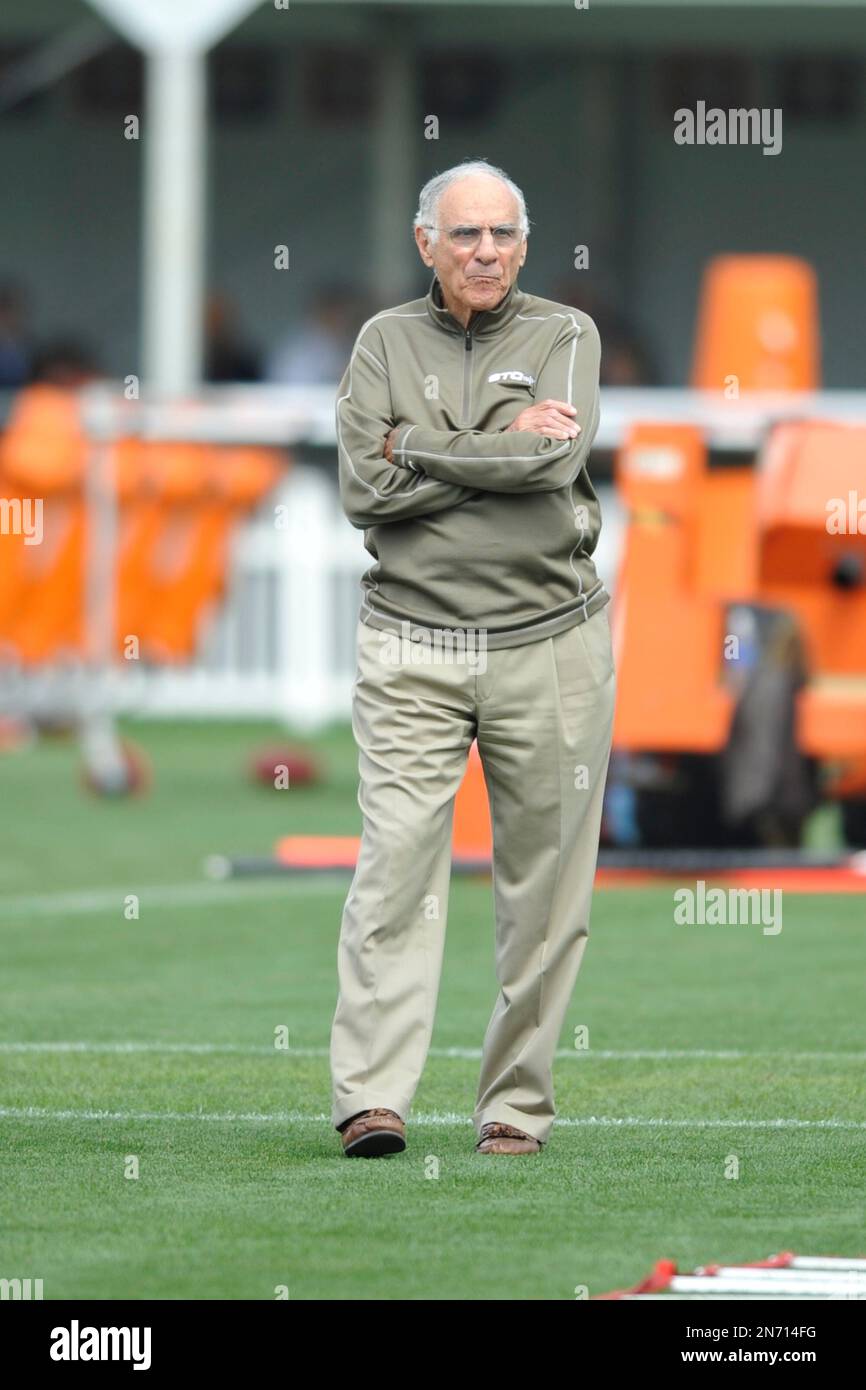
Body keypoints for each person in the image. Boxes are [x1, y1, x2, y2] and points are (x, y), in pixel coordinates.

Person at [330, 158, 616, 1158]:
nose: (484, 251)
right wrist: (490, 443)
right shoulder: (381, 340)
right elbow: (362, 491)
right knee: (394, 867)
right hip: (409, 642)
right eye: (463, 235)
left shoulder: (564, 333)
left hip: (551, 643)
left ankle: (514, 1107)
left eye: (500, 234)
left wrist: (419, 444)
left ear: (524, 245)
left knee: (543, 888)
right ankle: (370, 1097)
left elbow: (552, 460)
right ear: (425, 245)